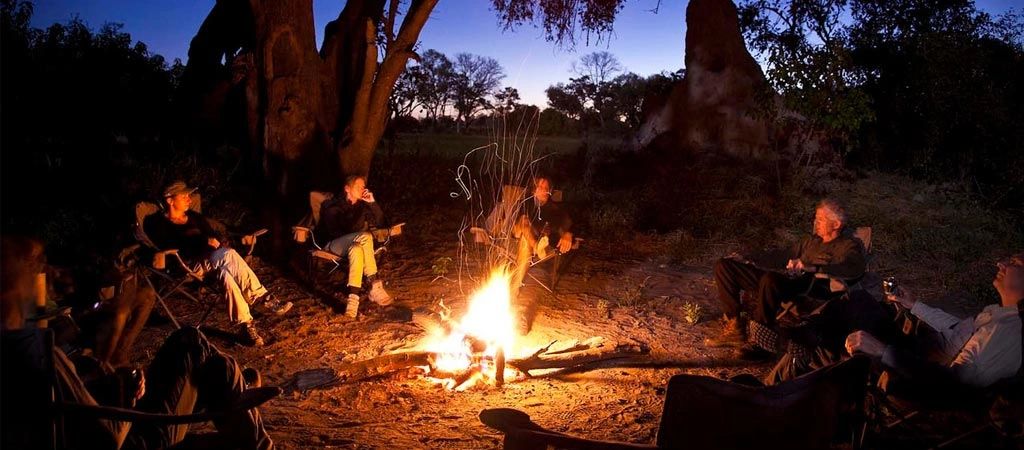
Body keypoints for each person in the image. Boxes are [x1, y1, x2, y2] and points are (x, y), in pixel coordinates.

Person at [0, 236, 275, 450]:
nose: (43, 274)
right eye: (34, 268)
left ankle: (233, 388)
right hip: (135, 438)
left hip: (112, 420)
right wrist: (125, 394)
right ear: (15, 287)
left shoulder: (16, 345)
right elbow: (108, 440)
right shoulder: (35, 350)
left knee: (196, 346)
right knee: (202, 350)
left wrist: (91, 377)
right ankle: (237, 395)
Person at [143, 181, 291, 347]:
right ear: (170, 200)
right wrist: (202, 241)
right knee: (228, 254)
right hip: (186, 265)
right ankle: (263, 298)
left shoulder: (195, 217)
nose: (189, 199)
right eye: (184, 196)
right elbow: (168, 245)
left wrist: (231, 240)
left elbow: (214, 237)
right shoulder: (157, 223)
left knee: (225, 274)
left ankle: (246, 326)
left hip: (213, 260)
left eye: (189, 196)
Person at [846, 253, 1024, 391]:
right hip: (920, 350)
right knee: (859, 300)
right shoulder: (1002, 313)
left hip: (916, 372)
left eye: (1015, 263)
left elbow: (952, 383)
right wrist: (914, 305)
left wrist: (882, 351)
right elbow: (958, 330)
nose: (1001, 263)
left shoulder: (1009, 331)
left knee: (849, 314)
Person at [707, 199, 866, 352]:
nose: (815, 222)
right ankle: (734, 326)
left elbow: (854, 270)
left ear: (836, 224)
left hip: (808, 289)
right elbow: (781, 256)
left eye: (821, 219)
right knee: (725, 266)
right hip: (785, 281)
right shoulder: (812, 242)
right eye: (815, 218)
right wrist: (747, 257)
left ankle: (760, 341)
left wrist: (813, 268)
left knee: (770, 279)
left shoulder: (847, 246)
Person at [319, 175, 393, 316]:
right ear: (347, 189)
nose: (362, 189)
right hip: (334, 246)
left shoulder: (362, 206)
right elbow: (334, 232)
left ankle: (353, 300)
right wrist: (356, 234)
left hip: (356, 244)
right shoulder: (333, 206)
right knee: (365, 236)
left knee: (356, 249)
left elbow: (382, 224)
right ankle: (375, 286)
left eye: (363, 186)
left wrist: (372, 203)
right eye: (358, 187)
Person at [515, 175, 574, 258]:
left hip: (540, 240)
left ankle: (537, 248)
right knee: (523, 222)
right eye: (540, 187)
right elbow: (516, 223)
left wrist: (568, 234)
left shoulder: (555, 209)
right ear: (533, 190)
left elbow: (569, 224)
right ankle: (537, 247)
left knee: (527, 241)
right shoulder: (524, 203)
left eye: (546, 188)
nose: (544, 190)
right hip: (518, 233)